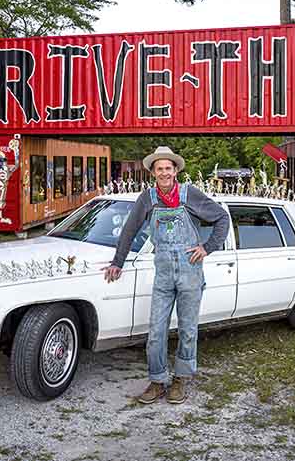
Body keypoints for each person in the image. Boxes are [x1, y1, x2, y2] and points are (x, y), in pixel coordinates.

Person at [102, 146, 229, 405]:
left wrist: (207, 247)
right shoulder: (147, 199)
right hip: (163, 274)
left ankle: (181, 379)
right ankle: (158, 381)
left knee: (188, 329)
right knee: (156, 331)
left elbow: (222, 218)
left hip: (190, 272)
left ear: (175, 170)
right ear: (152, 172)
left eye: (168, 168)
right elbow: (128, 230)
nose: (164, 173)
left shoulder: (189, 194)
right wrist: (118, 262)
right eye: (159, 169)